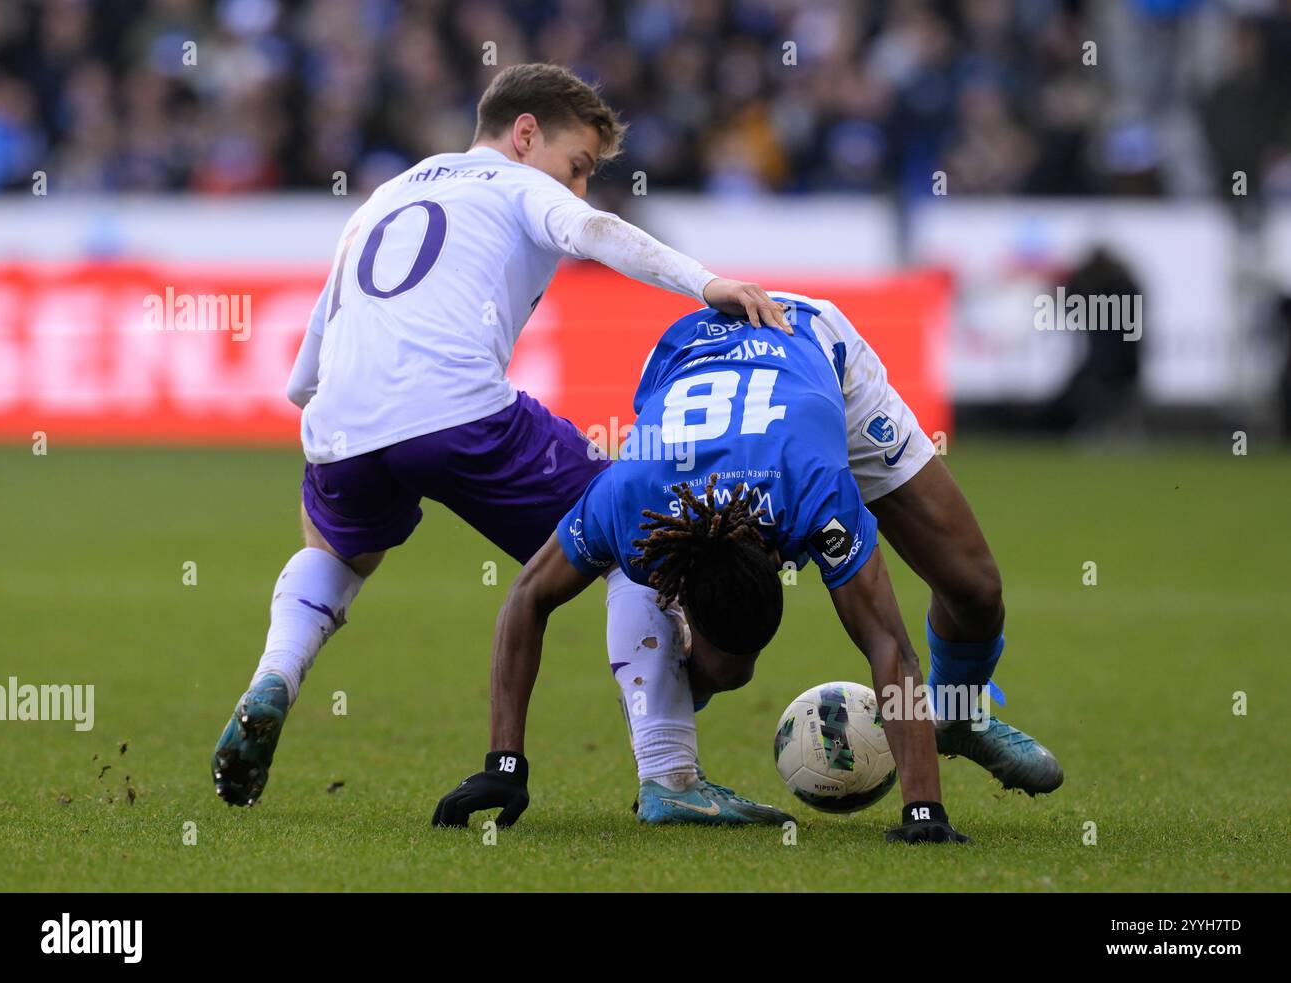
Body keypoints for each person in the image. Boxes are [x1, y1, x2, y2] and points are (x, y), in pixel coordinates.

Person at [210, 62, 792, 811]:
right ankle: (670, 776)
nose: (576, 187)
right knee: (637, 524)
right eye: (576, 165)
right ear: (524, 135)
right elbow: (597, 232)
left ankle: (274, 677)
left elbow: (303, 376)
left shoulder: (383, 198)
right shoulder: (518, 183)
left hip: (342, 421)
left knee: (335, 553)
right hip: (457, 407)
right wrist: (708, 283)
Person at [433, 294, 1063, 840]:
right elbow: (526, 598)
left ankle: (952, 711)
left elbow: (887, 644)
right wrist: (503, 764)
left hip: (813, 348)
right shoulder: (628, 496)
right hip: (689, 352)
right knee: (715, 661)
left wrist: (923, 812)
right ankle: (671, 763)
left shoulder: (817, 492)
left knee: (974, 589)